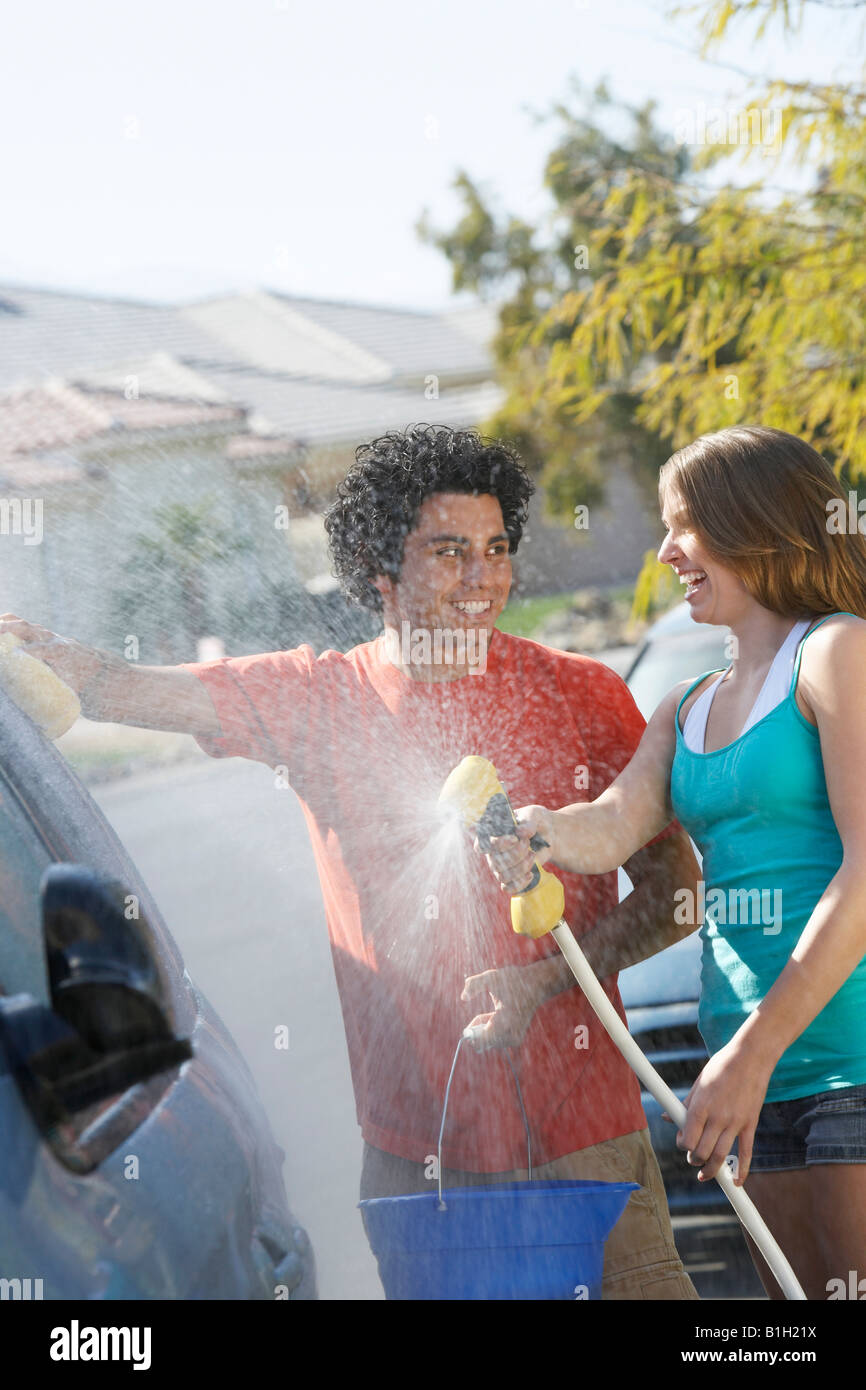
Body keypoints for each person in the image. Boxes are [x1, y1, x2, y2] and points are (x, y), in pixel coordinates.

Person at [0, 423, 703, 1300]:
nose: (482, 579)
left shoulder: (584, 693)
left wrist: (543, 988)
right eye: (448, 553)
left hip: (590, 1143)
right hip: (423, 1163)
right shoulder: (318, 698)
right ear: (378, 567)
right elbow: (118, 688)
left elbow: (678, 894)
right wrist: (49, 664)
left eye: (495, 550)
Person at [483, 424, 866, 1301]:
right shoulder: (685, 704)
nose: (664, 552)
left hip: (848, 1060)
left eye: (685, 525)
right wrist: (538, 831)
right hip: (752, 1073)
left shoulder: (837, 652)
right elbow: (610, 826)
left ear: (756, 523)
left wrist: (752, 1055)